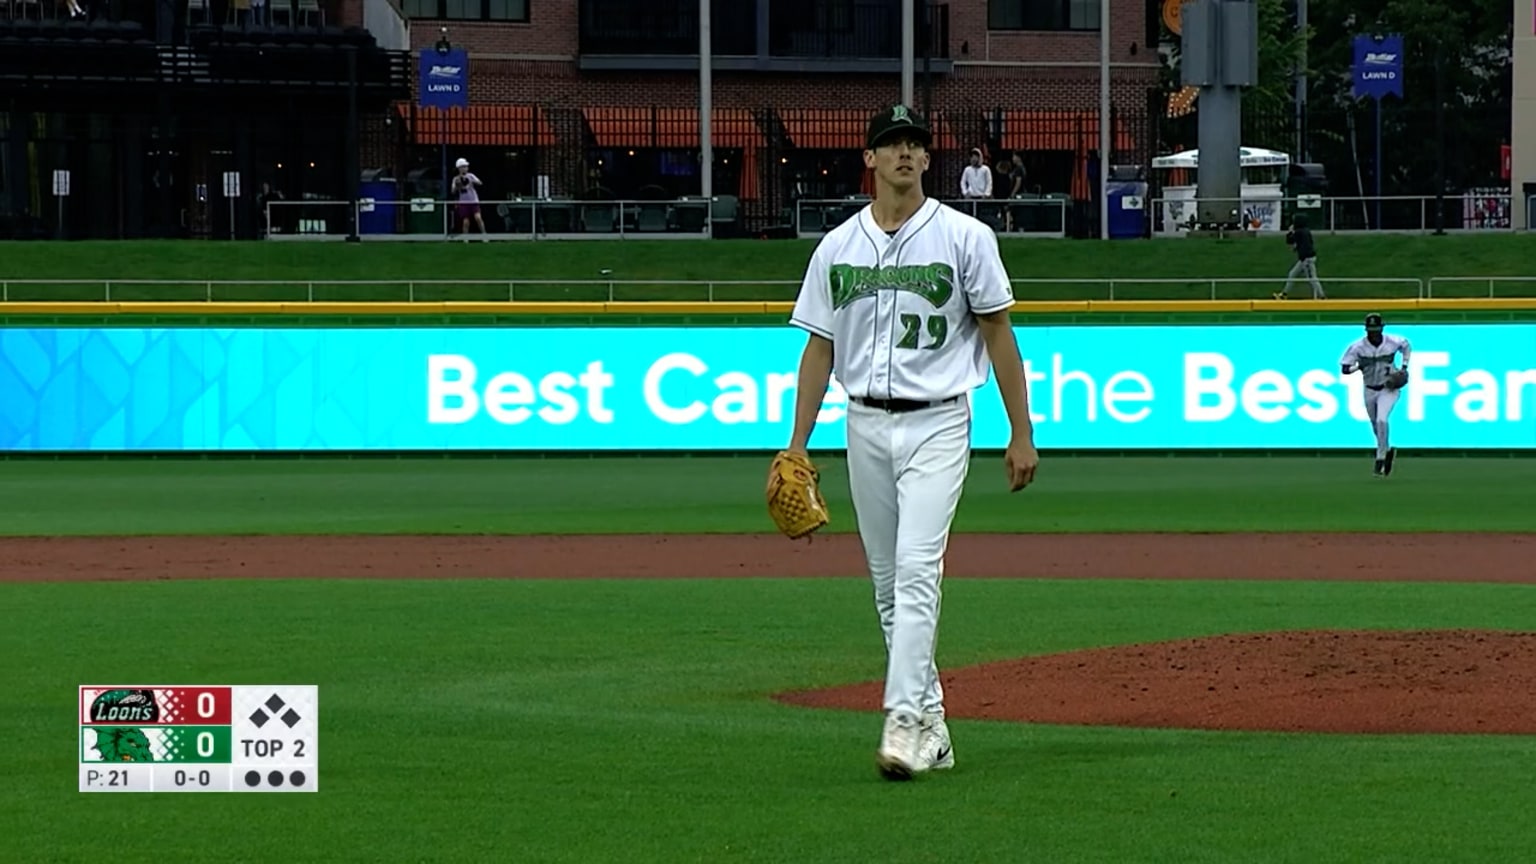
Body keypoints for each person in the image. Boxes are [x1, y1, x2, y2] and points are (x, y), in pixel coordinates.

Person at [781, 103, 1040, 781]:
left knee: (918, 571)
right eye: (890, 143)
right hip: (862, 421)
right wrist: (797, 444)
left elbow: (997, 333)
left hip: (939, 420)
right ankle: (935, 724)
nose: (903, 153)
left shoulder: (964, 238)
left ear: (928, 159)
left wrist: (1022, 432)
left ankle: (902, 720)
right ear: (868, 159)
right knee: (888, 588)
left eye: (914, 144)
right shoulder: (836, 246)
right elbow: (818, 349)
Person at [1339, 313, 1412, 476]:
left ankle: (1380, 459)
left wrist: (1404, 366)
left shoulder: (1393, 341)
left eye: (1376, 329)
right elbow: (1344, 369)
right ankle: (1386, 450)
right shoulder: (1358, 347)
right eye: (1371, 329)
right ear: (1366, 330)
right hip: (1369, 389)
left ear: (1382, 328)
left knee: (1382, 419)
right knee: (1375, 424)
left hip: (1389, 388)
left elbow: (1406, 346)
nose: (1374, 333)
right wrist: (1358, 367)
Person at [1275, 213, 1325, 299]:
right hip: (1305, 259)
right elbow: (1303, 243)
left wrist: (1290, 231)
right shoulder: (1305, 231)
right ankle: (1284, 294)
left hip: (1307, 259)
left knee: (1312, 278)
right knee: (1292, 274)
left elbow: (1290, 240)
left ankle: (1322, 297)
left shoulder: (1300, 232)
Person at [450, 158, 488, 241]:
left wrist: (471, 181)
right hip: (464, 202)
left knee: (478, 218)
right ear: (459, 168)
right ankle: (465, 239)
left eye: (466, 167)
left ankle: (485, 236)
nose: (465, 168)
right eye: (463, 167)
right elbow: (452, 191)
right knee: (466, 221)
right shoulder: (456, 179)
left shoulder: (471, 175)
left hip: (474, 200)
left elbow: (480, 183)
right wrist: (457, 185)